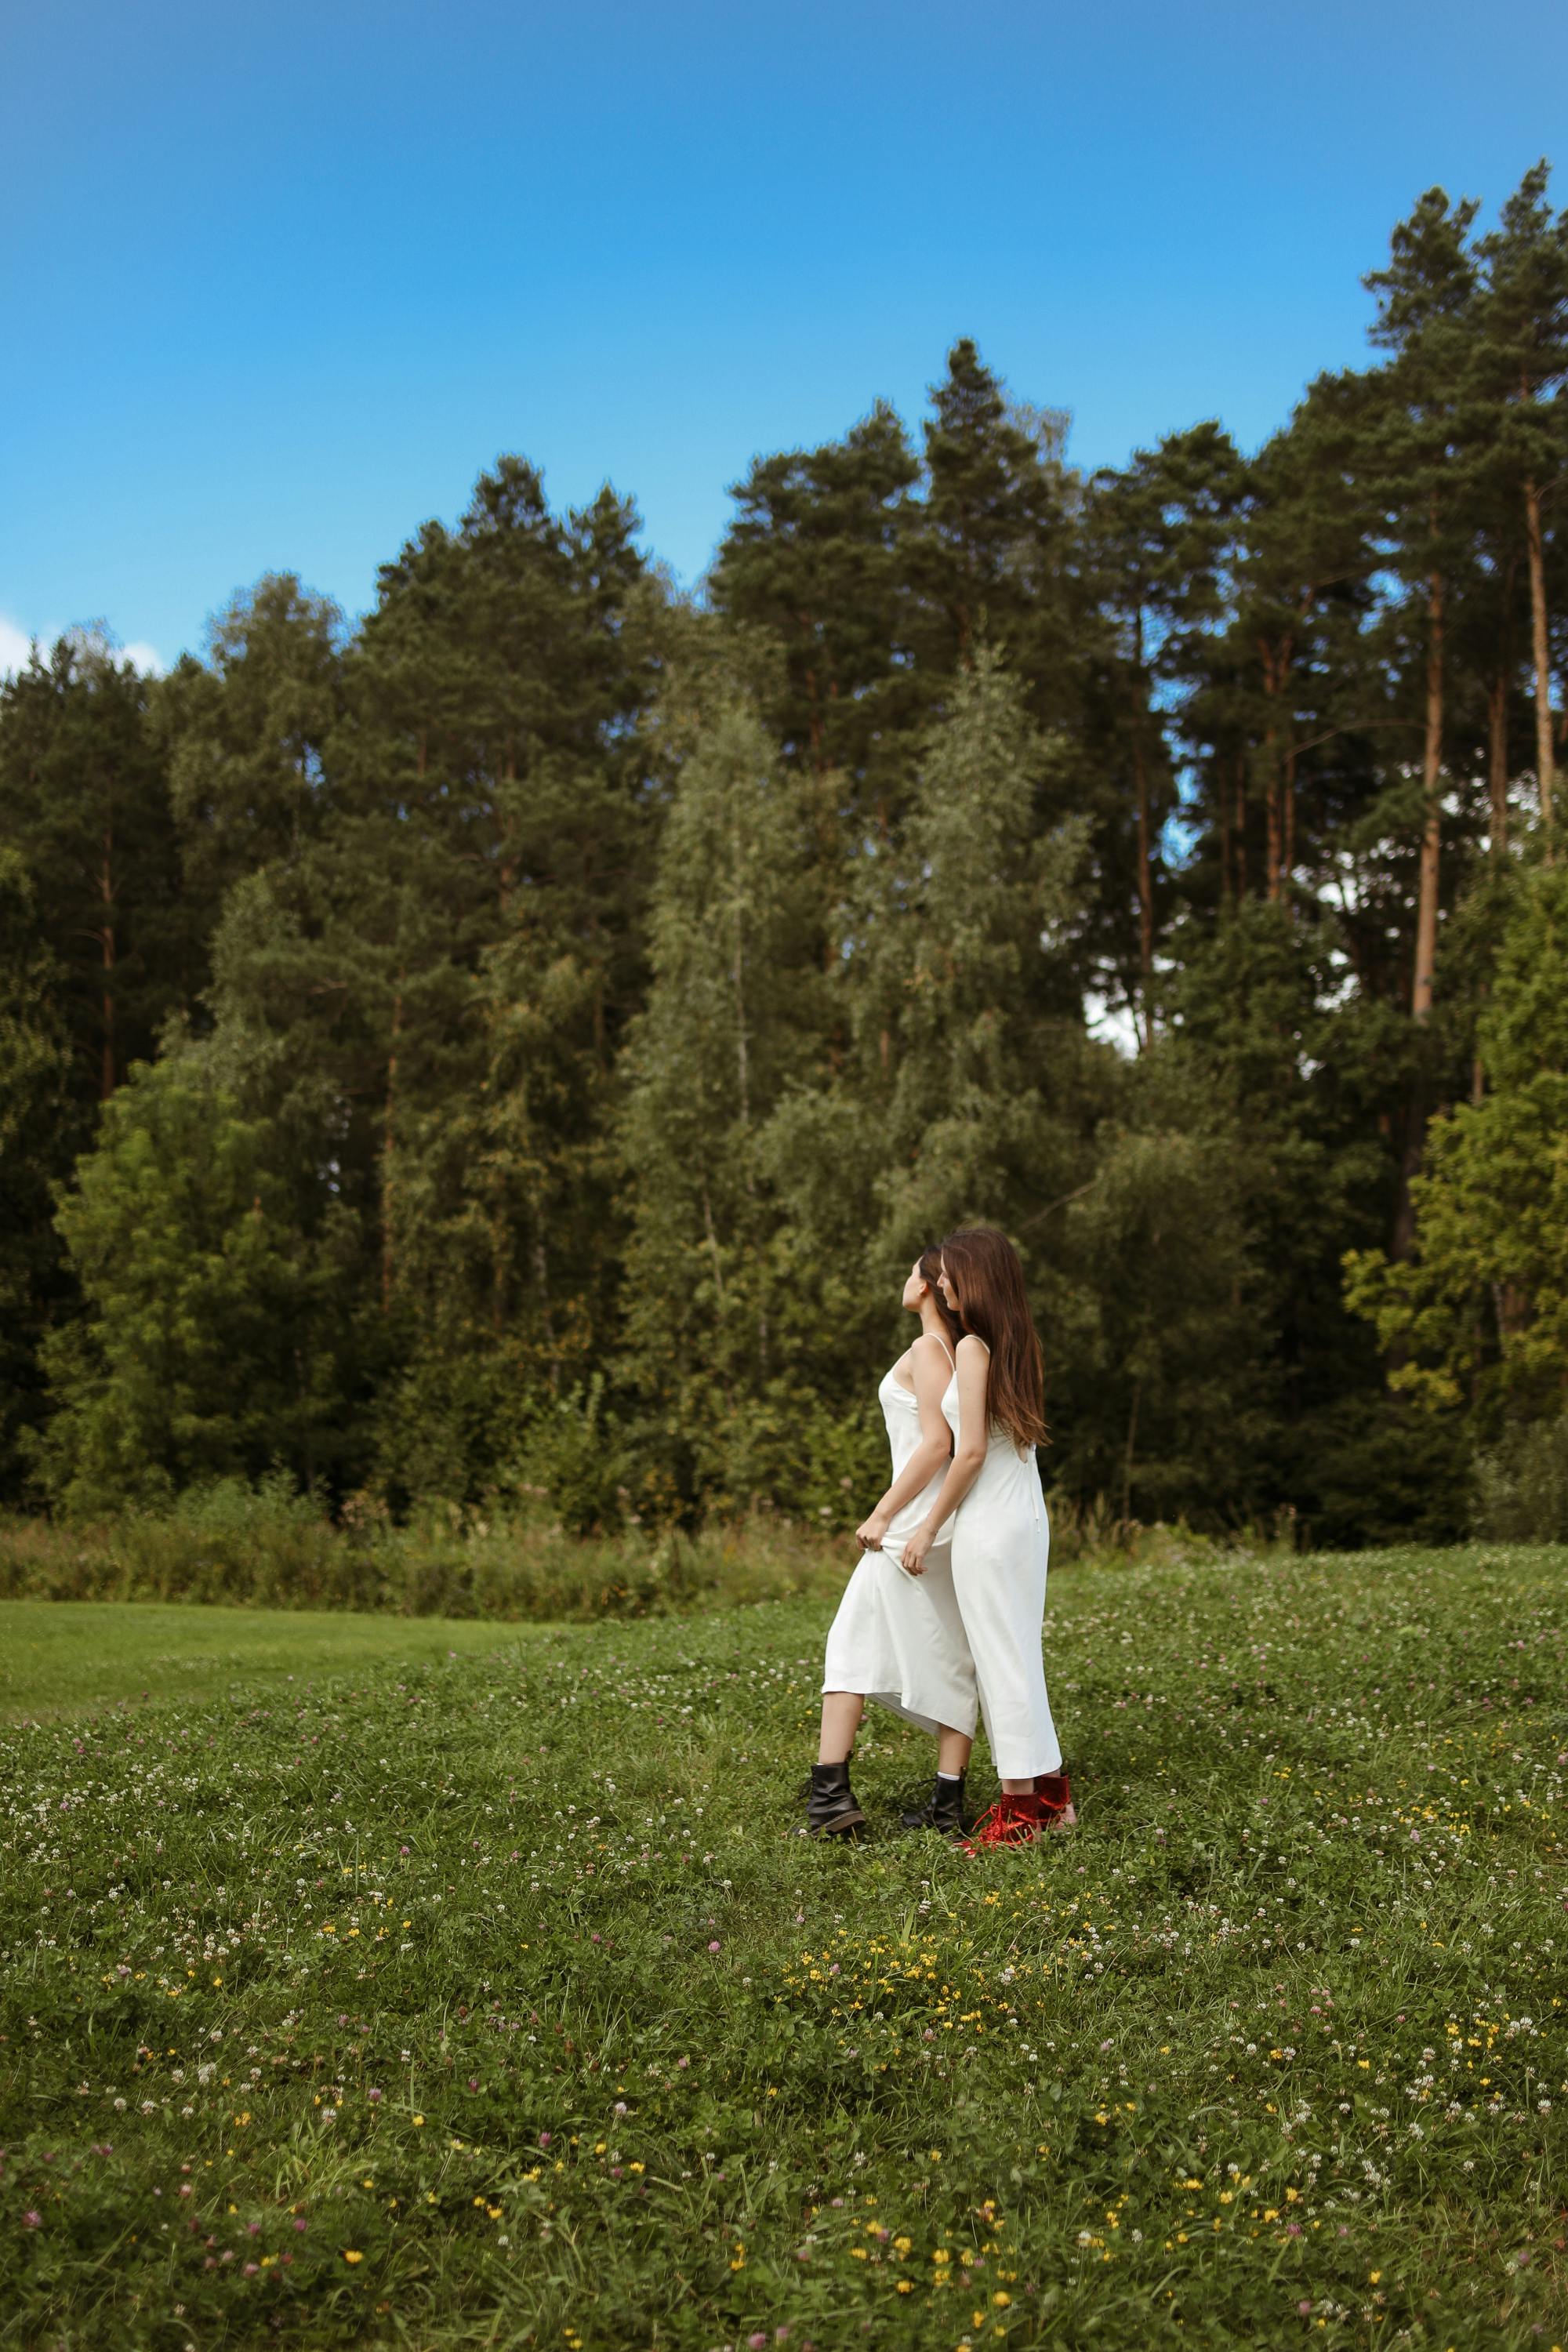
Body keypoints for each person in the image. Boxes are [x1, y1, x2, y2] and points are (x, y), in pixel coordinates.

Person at [899, 1225, 1075, 1848]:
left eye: (948, 1273)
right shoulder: (1018, 1341)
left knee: (1001, 1661)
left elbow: (969, 1452)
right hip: (1024, 1514)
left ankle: (1020, 1813)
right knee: (1019, 1654)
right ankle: (1052, 1798)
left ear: (972, 1278)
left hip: (991, 1522)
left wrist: (926, 1527)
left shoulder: (974, 1347)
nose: (941, 1281)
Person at [805, 1248, 980, 1838]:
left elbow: (937, 1445)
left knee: (849, 1645)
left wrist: (882, 1513)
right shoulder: (955, 1351)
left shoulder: (929, 1351)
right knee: (953, 1656)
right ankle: (946, 1807)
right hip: (935, 1518)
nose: (905, 1281)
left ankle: (831, 1802)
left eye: (912, 1272)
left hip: (912, 1524)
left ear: (929, 1287)